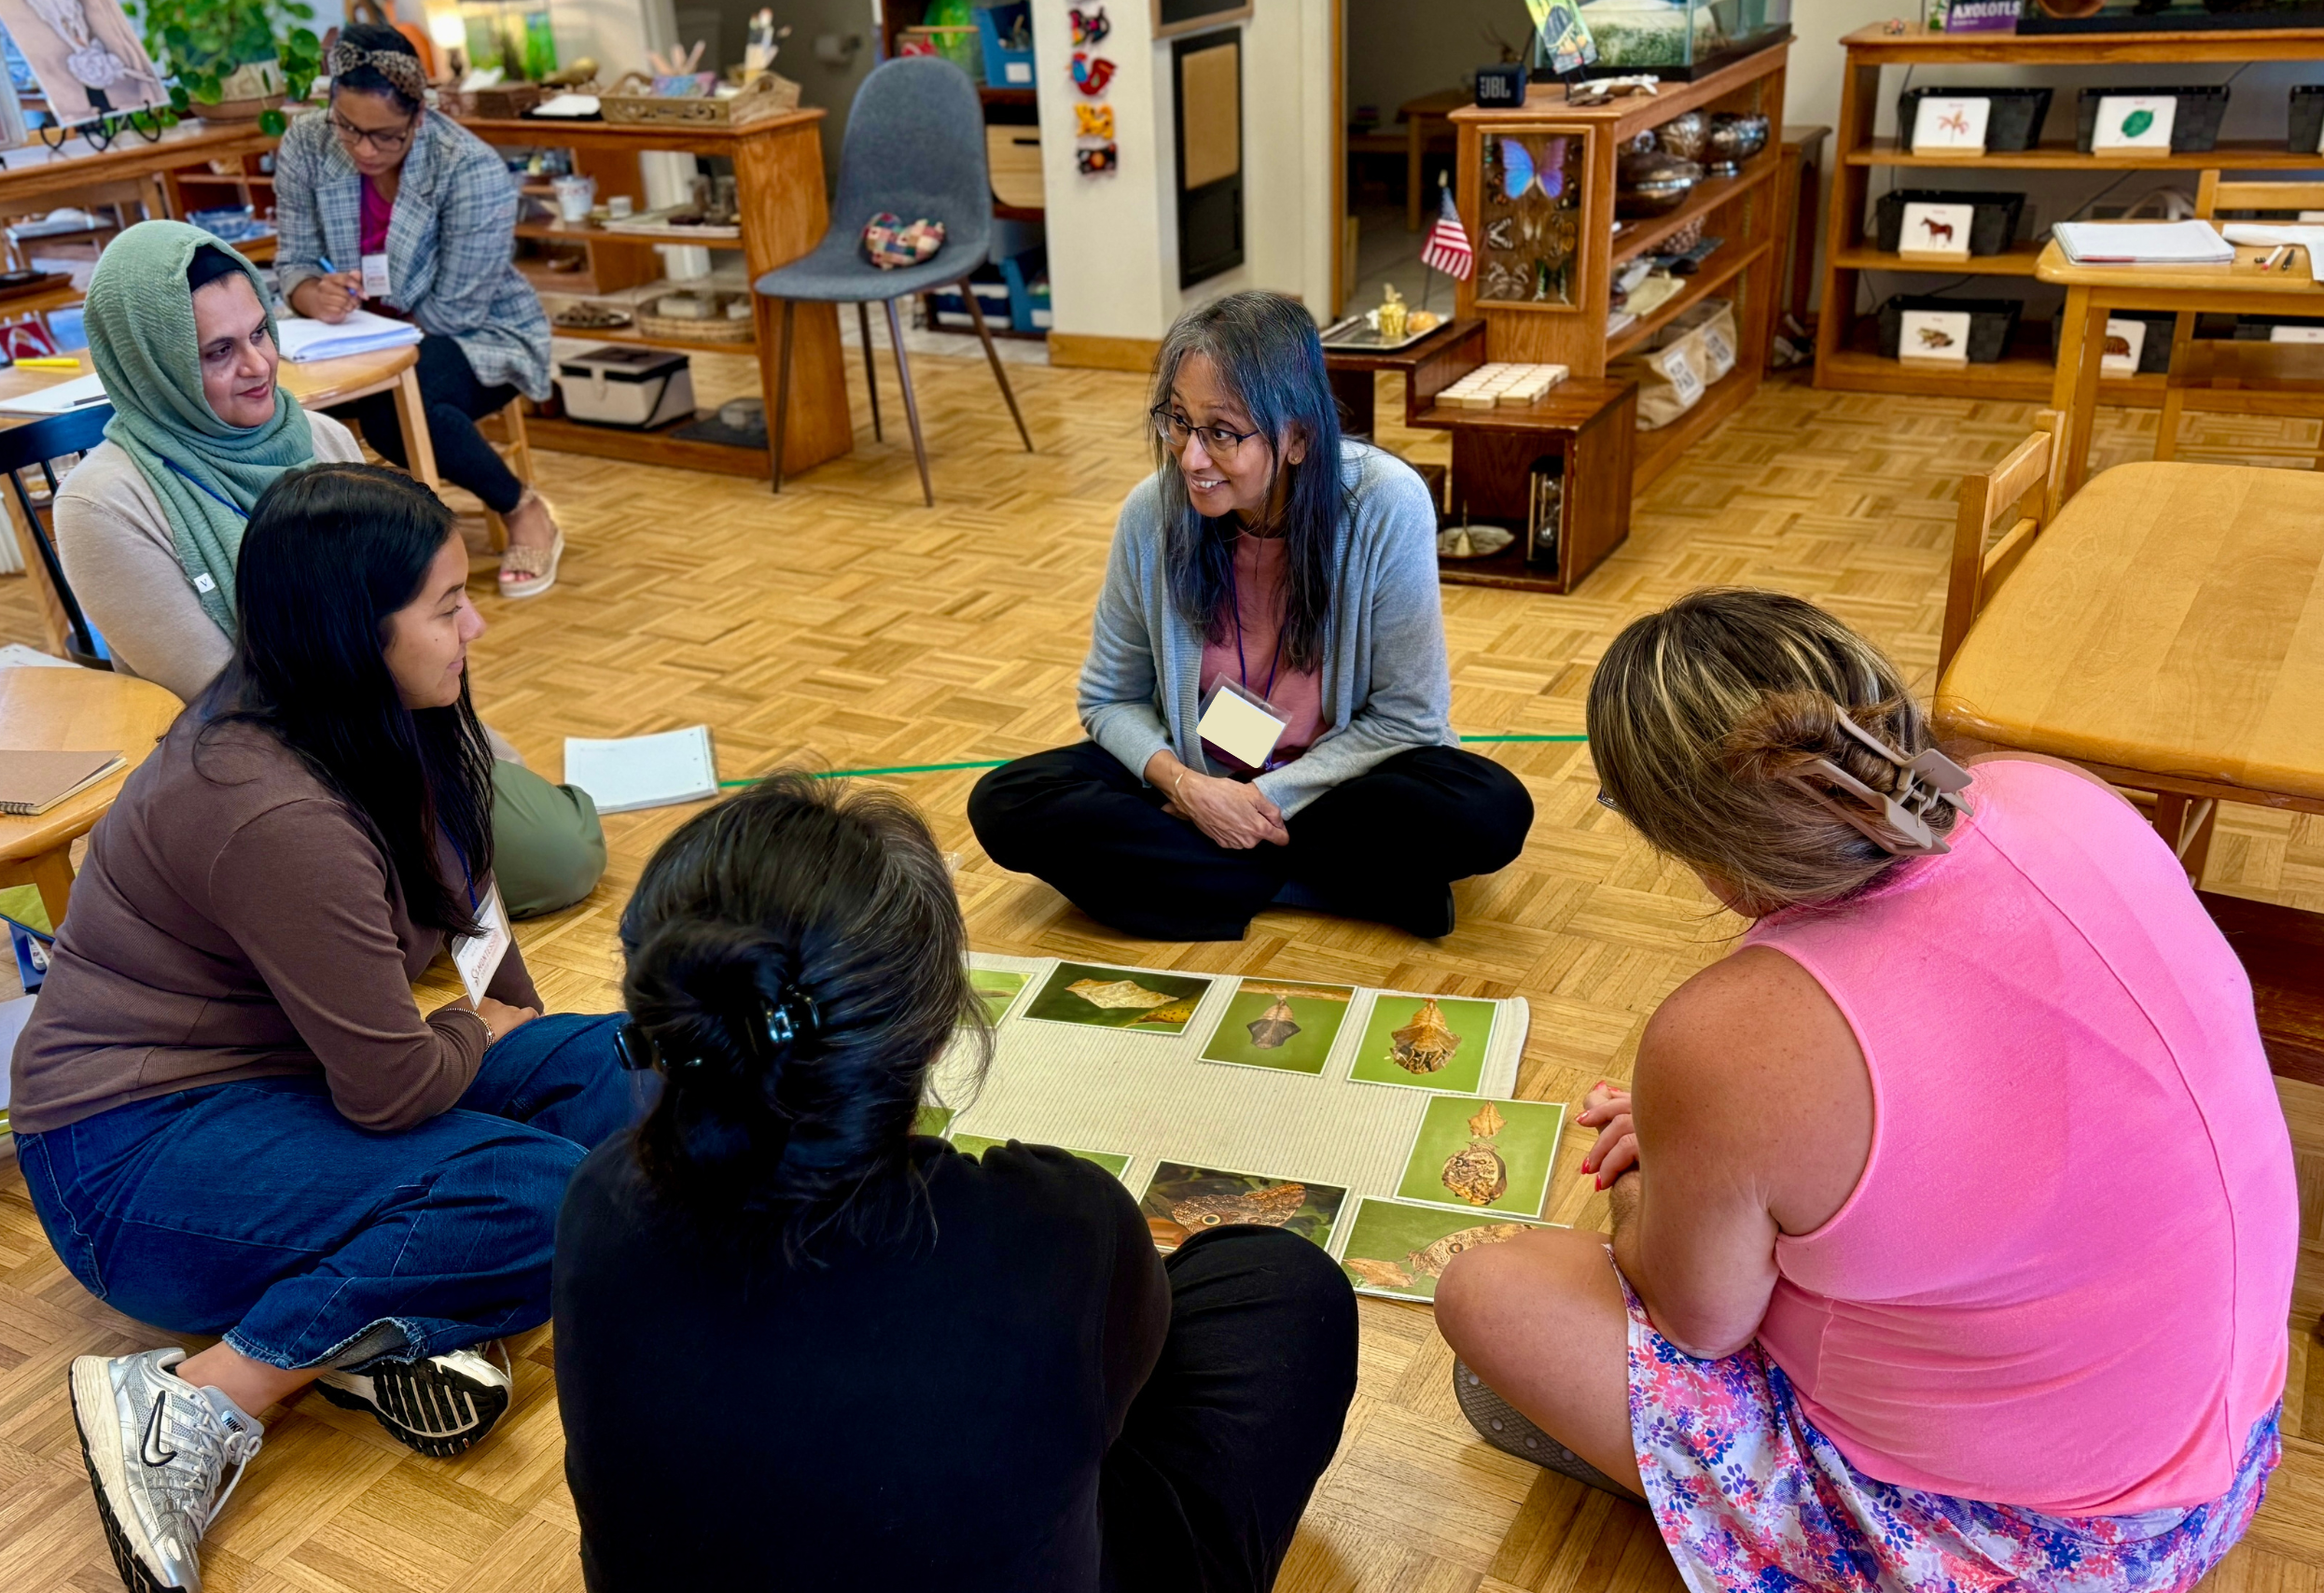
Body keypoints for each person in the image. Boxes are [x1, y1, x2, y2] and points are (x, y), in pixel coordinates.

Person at [1432, 589, 2298, 1589]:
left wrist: (1661, 1177)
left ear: (1685, 840)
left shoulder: (1734, 1032)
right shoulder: (2055, 790)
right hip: (2221, 1463)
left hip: (2029, 1549)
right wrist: (1720, 1144)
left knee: (1489, 1291)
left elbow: (1697, 1319)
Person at [16, 465, 639, 1593]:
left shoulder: (380, 713)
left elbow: (473, 910)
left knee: (615, 1070)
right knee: (544, 1194)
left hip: (288, 1085)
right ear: (360, 631)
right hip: (128, 1155)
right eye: (447, 605)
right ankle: (203, 1394)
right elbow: (394, 1094)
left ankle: (364, 1332)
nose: (476, 622)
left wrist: (519, 1040)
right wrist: (475, 1043)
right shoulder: (271, 804)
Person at [553, 774, 1358, 1591]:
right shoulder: (1056, 1224)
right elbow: (1119, 1391)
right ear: (937, 1030)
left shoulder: (595, 1202)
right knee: (1285, 1287)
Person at [55, 220, 604, 916]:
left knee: (556, 844)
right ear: (149, 361)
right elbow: (219, 693)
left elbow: (402, 624)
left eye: (259, 333)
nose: (257, 366)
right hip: (263, 771)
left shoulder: (318, 435)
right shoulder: (105, 502)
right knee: (544, 858)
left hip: (390, 727)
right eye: (218, 352)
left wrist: (471, 749)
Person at [967, 290, 1530, 942]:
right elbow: (1107, 698)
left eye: (1222, 433)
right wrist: (1192, 787)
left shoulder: (1385, 503)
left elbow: (1409, 717)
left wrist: (1263, 801)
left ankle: (1196, 880)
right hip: (1192, 779)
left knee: (1490, 810)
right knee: (1006, 803)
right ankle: (1342, 886)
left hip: (1327, 786)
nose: (1191, 458)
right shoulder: (1152, 512)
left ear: (1297, 438)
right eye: (1178, 421)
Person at [272, 21, 564, 597]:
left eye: (386, 137)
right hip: (354, 332)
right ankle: (325, 555)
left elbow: (453, 310)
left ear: (419, 119)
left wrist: (365, 334)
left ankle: (522, 509)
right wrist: (311, 293)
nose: (362, 149)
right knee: (266, 389)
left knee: (395, 404)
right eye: (348, 128)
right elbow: (294, 259)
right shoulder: (306, 143)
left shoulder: (469, 167)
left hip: (478, 331)